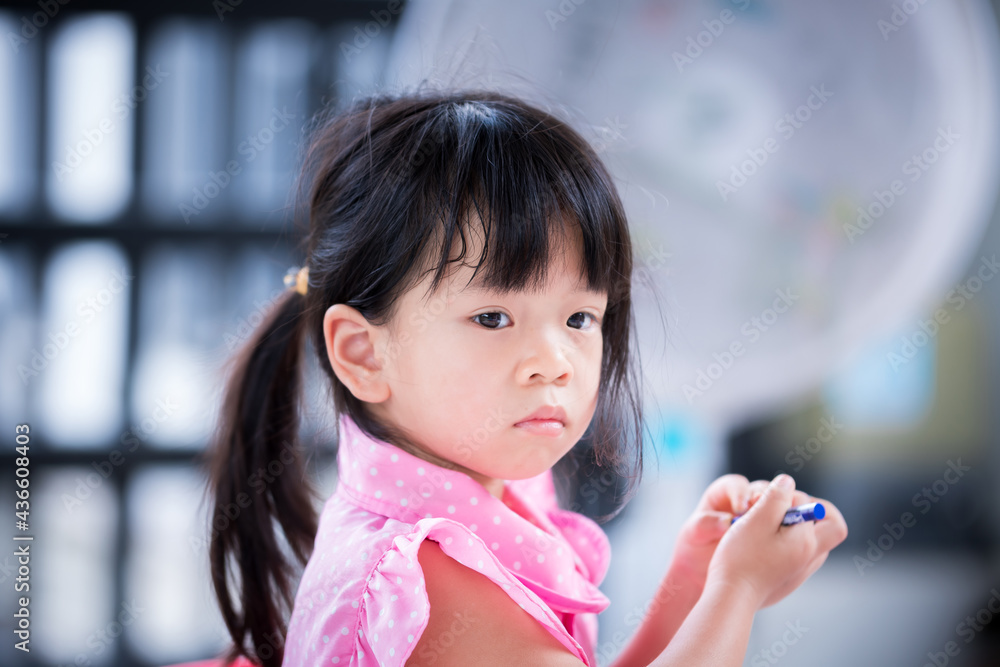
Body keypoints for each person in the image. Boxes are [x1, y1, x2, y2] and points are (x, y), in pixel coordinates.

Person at [204, 87, 848, 667]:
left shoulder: (496, 491)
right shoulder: (432, 585)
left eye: (578, 316)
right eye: (492, 316)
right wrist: (737, 593)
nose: (555, 359)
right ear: (364, 354)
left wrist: (698, 576)